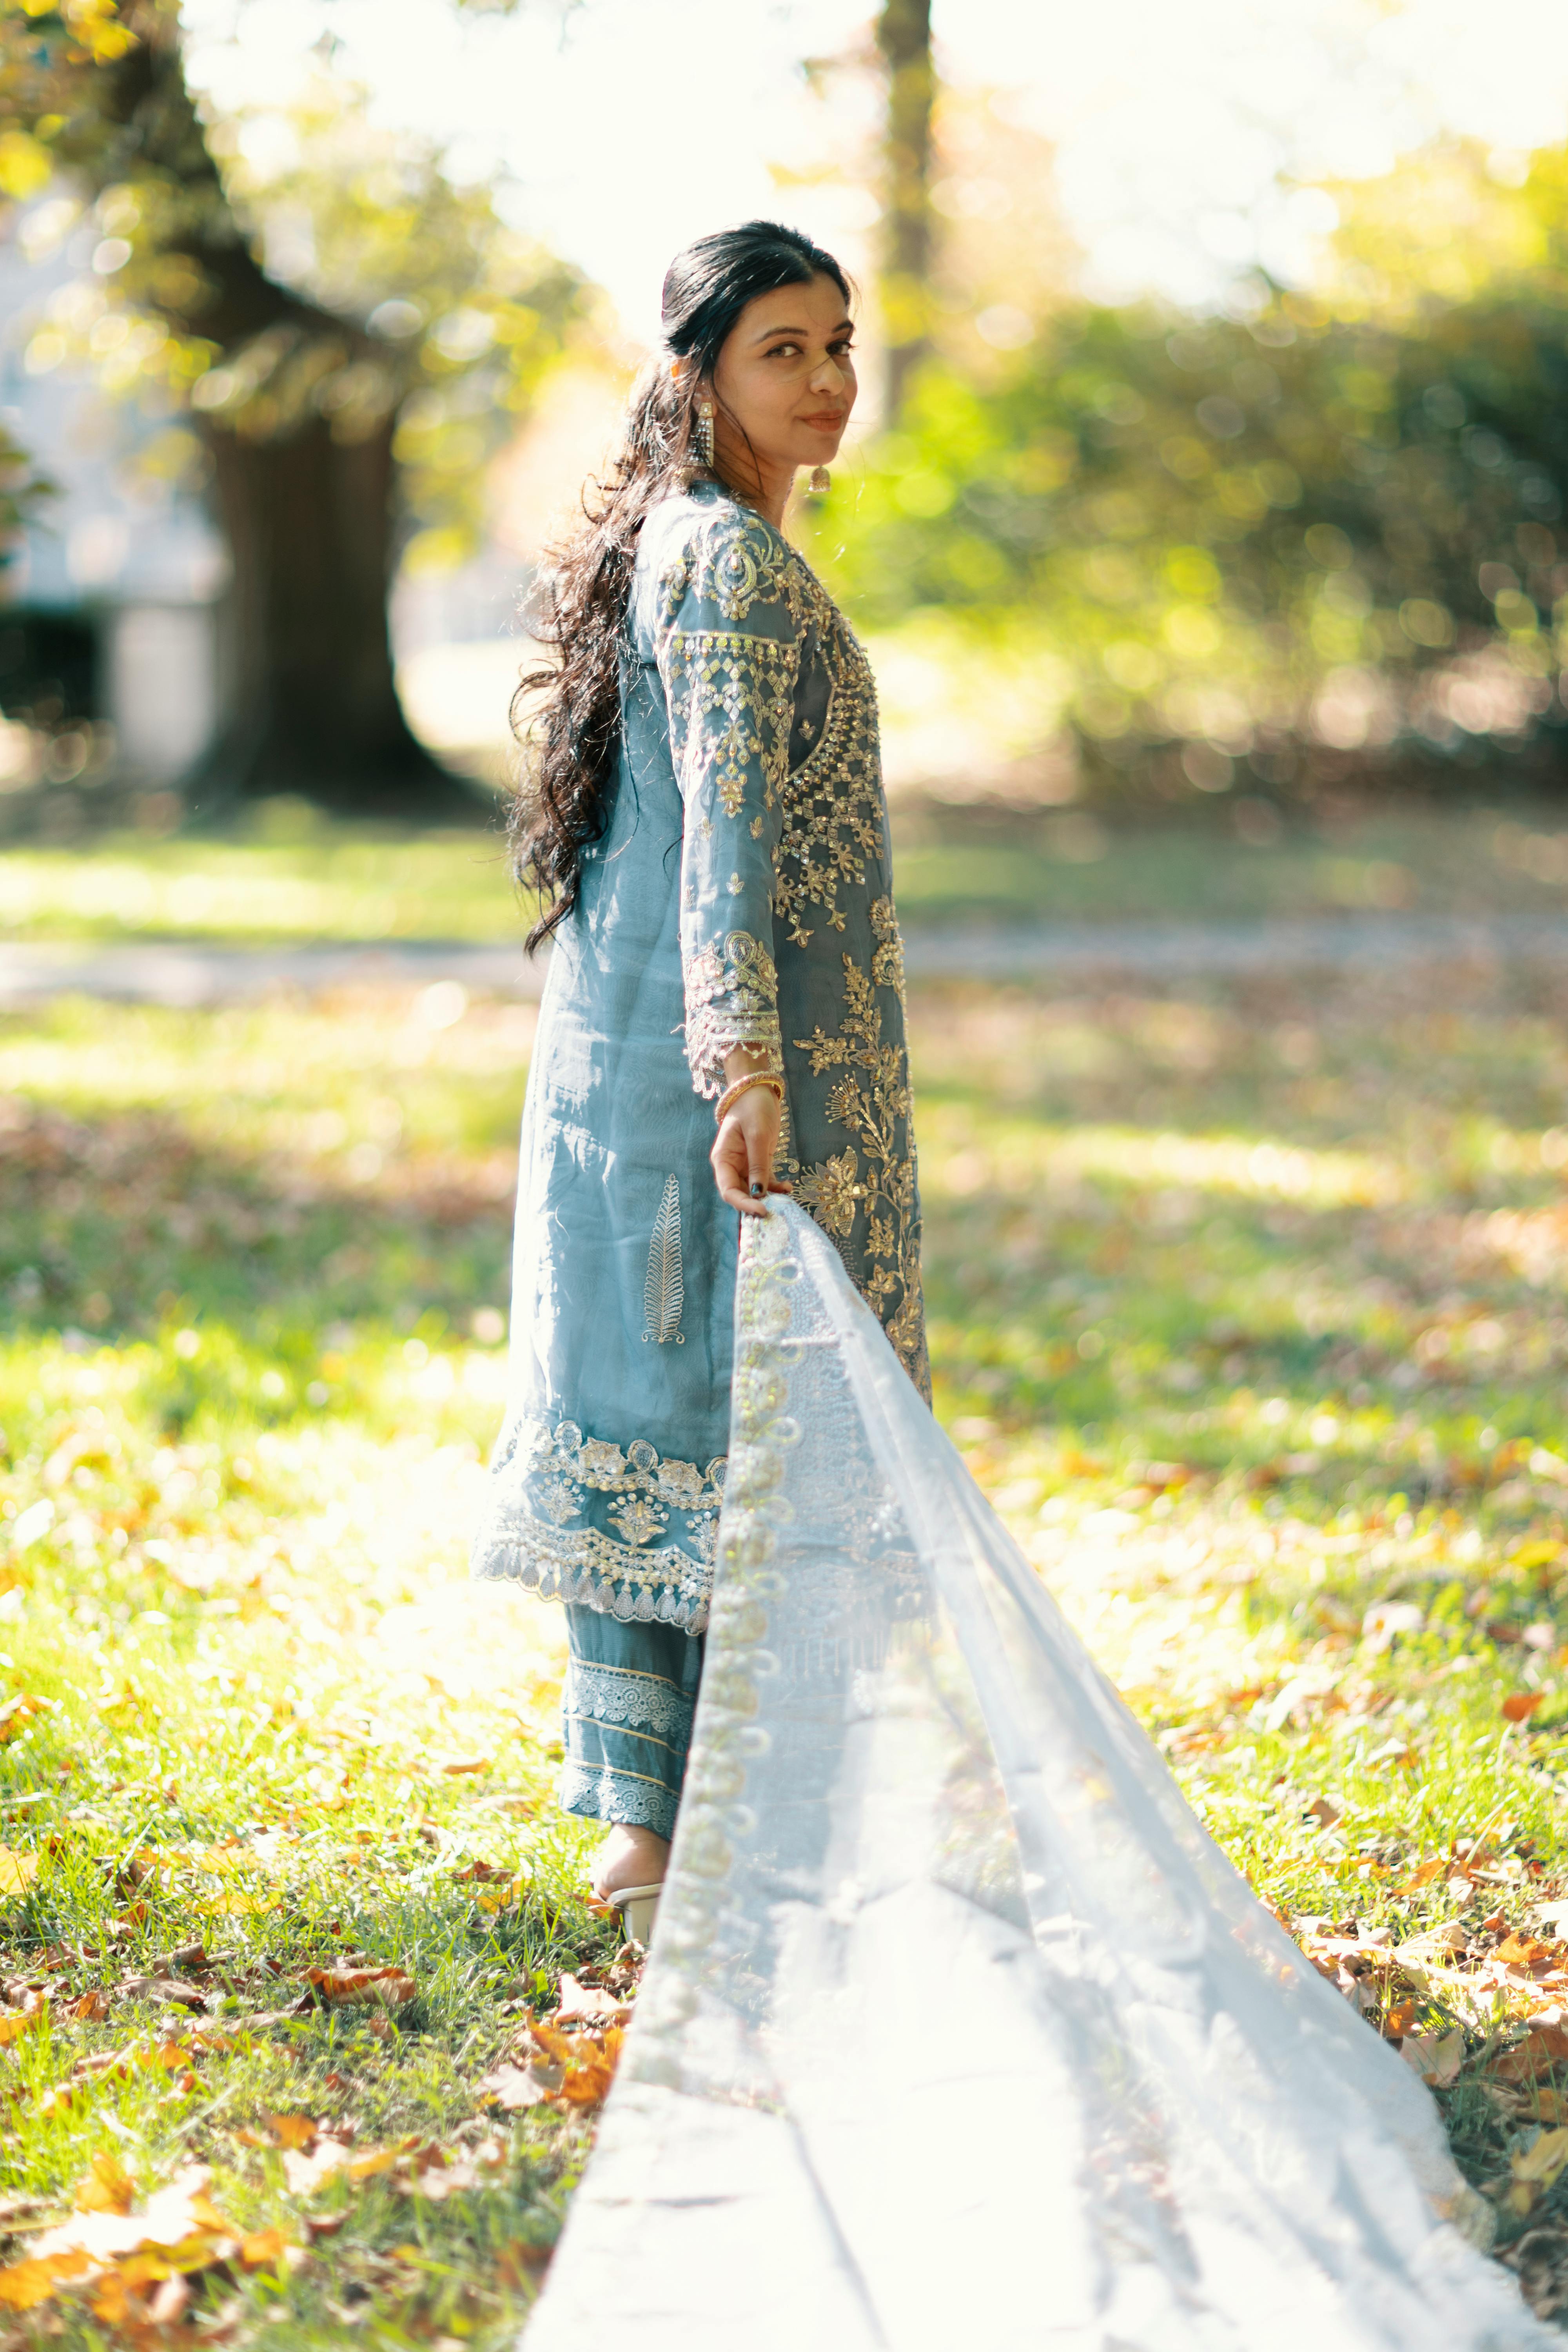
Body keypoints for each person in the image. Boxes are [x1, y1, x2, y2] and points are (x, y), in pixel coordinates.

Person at [470, 221, 925, 1936]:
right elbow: (725, 825)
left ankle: (675, 1839)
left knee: (682, 1418)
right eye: (781, 351)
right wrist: (745, 1064)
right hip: (722, 1079)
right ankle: (685, 1849)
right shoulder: (724, 557)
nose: (827, 380)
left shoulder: (693, 540)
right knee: (724, 1418)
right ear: (695, 376)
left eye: (838, 343)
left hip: (655, 1058)